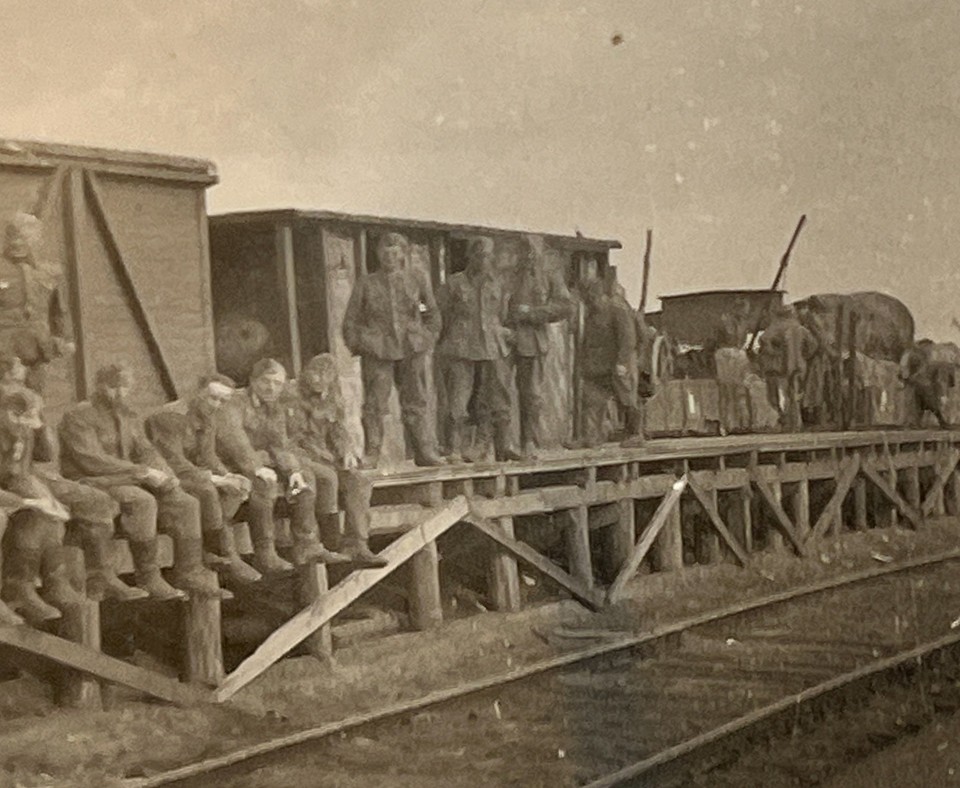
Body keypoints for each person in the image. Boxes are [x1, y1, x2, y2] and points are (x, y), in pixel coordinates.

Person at [59, 363, 226, 601]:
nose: (118, 393)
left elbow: (146, 450)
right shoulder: (78, 416)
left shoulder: (129, 415)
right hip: (93, 482)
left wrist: (167, 475)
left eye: (124, 387)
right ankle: (148, 575)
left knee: (185, 502)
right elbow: (91, 460)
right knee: (142, 500)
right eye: (112, 387)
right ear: (99, 386)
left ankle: (189, 571)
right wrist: (141, 472)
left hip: (130, 478)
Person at [0, 353, 145, 603]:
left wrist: (39, 426)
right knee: (46, 515)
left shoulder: (25, 402)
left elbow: (44, 455)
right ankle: (25, 587)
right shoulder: (10, 410)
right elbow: (12, 470)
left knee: (96, 501)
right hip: (12, 479)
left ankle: (99, 576)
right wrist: (32, 501)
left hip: (29, 475)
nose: (22, 373)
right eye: (17, 370)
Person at [216, 358, 350, 572]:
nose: (271, 388)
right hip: (232, 464)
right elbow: (235, 442)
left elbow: (279, 444)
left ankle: (307, 545)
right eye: (265, 381)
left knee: (304, 479)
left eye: (277, 383)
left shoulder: (275, 407)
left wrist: (293, 471)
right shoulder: (235, 403)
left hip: (263, 461)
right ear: (253, 381)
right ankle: (265, 552)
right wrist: (256, 467)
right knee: (263, 484)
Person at [145, 375, 262, 586]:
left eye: (222, 401)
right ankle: (219, 553)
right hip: (165, 480)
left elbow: (207, 457)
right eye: (212, 398)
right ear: (197, 392)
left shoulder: (209, 416)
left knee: (236, 487)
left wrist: (228, 476)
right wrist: (216, 479)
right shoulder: (170, 417)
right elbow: (176, 464)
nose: (216, 404)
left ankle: (221, 554)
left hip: (193, 477)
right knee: (207, 489)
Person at [342, 231, 443, 468]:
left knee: (416, 401)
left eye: (395, 253)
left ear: (402, 255)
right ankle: (373, 451)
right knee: (375, 404)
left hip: (411, 348)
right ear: (378, 255)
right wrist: (362, 344)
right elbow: (350, 321)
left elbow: (432, 313)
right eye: (385, 253)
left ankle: (424, 450)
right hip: (378, 351)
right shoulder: (366, 283)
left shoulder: (417, 279)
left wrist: (426, 338)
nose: (390, 257)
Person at [287, 354, 388, 567]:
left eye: (325, 375)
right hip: (303, 458)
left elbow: (338, 431)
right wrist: (321, 456)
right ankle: (330, 541)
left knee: (358, 481)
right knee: (327, 477)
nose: (318, 379)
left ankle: (357, 543)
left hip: (328, 459)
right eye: (315, 373)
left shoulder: (332, 398)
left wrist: (347, 452)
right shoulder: (292, 396)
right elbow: (291, 439)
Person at [0, 389, 84, 622]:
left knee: (51, 514)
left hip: (10, 487)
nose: (27, 425)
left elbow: (44, 457)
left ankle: (34, 585)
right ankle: (12, 590)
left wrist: (39, 428)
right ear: (10, 413)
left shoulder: (22, 429)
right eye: (26, 418)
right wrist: (26, 502)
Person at [437, 236, 519, 463]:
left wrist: (505, 333)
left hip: (492, 346)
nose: (484, 260)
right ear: (470, 256)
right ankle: (453, 447)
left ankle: (496, 446)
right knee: (458, 399)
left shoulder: (499, 284)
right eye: (479, 255)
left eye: (488, 256)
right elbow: (438, 314)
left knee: (495, 398)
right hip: (461, 347)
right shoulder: (454, 284)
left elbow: (505, 315)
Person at [506, 234, 573, 456]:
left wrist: (533, 313)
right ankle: (500, 446)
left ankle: (528, 442)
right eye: (523, 250)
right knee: (496, 392)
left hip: (532, 341)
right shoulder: (506, 274)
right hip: (503, 340)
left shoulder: (549, 276)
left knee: (531, 395)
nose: (527, 255)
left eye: (531, 250)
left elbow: (564, 306)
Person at [0, 212, 73, 393]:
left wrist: (66, 338)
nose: (17, 243)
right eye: (13, 237)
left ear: (37, 239)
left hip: (36, 349)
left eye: (24, 237)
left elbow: (59, 310)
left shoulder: (49, 272)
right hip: (4, 351)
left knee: (35, 402)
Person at [570, 280, 643, 448]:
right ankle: (591, 437)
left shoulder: (618, 312)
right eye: (589, 298)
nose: (592, 301)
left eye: (594, 297)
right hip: (597, 366)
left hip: (616, 365)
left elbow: (628, 339)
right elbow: (587, 342)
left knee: (626, 399)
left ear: (603, 296)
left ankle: (635, 434)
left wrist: (622, 363)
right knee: (591, 401)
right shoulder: (590, 316)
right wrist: (584, 365)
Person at [757, 305, 817, 431]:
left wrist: (775, 353)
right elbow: (813, 345)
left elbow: (763, 342)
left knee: (781, 396)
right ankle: (796, 423)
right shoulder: (801, 329)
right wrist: (804, 355)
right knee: (795, 394)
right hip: (799, 365)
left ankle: (786, 421)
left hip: (781, 367)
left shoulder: (774, 328)